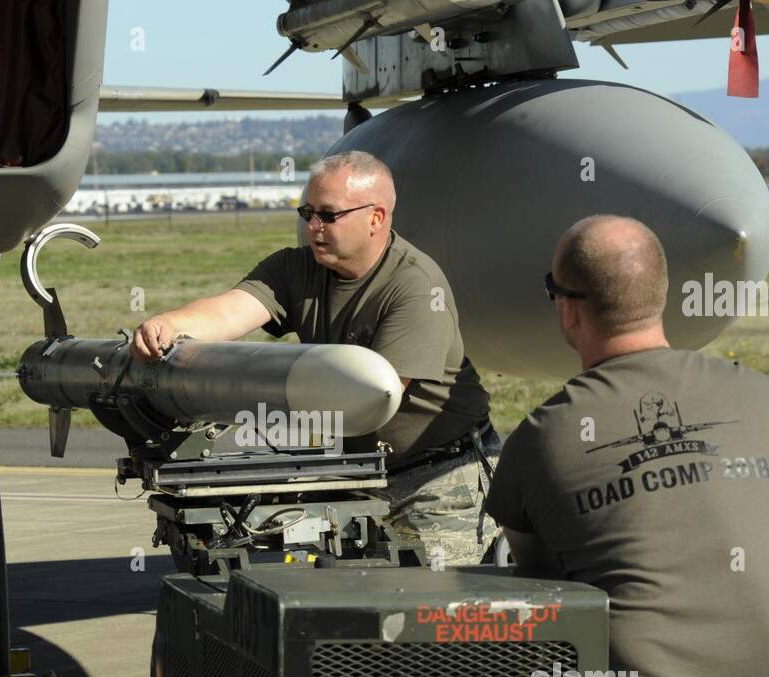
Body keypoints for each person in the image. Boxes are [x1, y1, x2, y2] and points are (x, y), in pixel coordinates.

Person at [484, 214, 769, 677]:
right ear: (660, 295)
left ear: (568, 308)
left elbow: (551, 589)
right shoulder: (762, 394)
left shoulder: (538, 438)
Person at [132, 150, 499, 565]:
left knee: (436, 612)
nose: (313, 227)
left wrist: (263, 423)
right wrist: (171, 324)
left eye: (328, 215)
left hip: (440, 479)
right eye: (308, 212)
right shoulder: (297, 269)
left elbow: (373, 398)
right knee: (356, 607)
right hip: (361, 472)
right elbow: (232, 310)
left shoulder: (415, 286)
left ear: (376, 217)